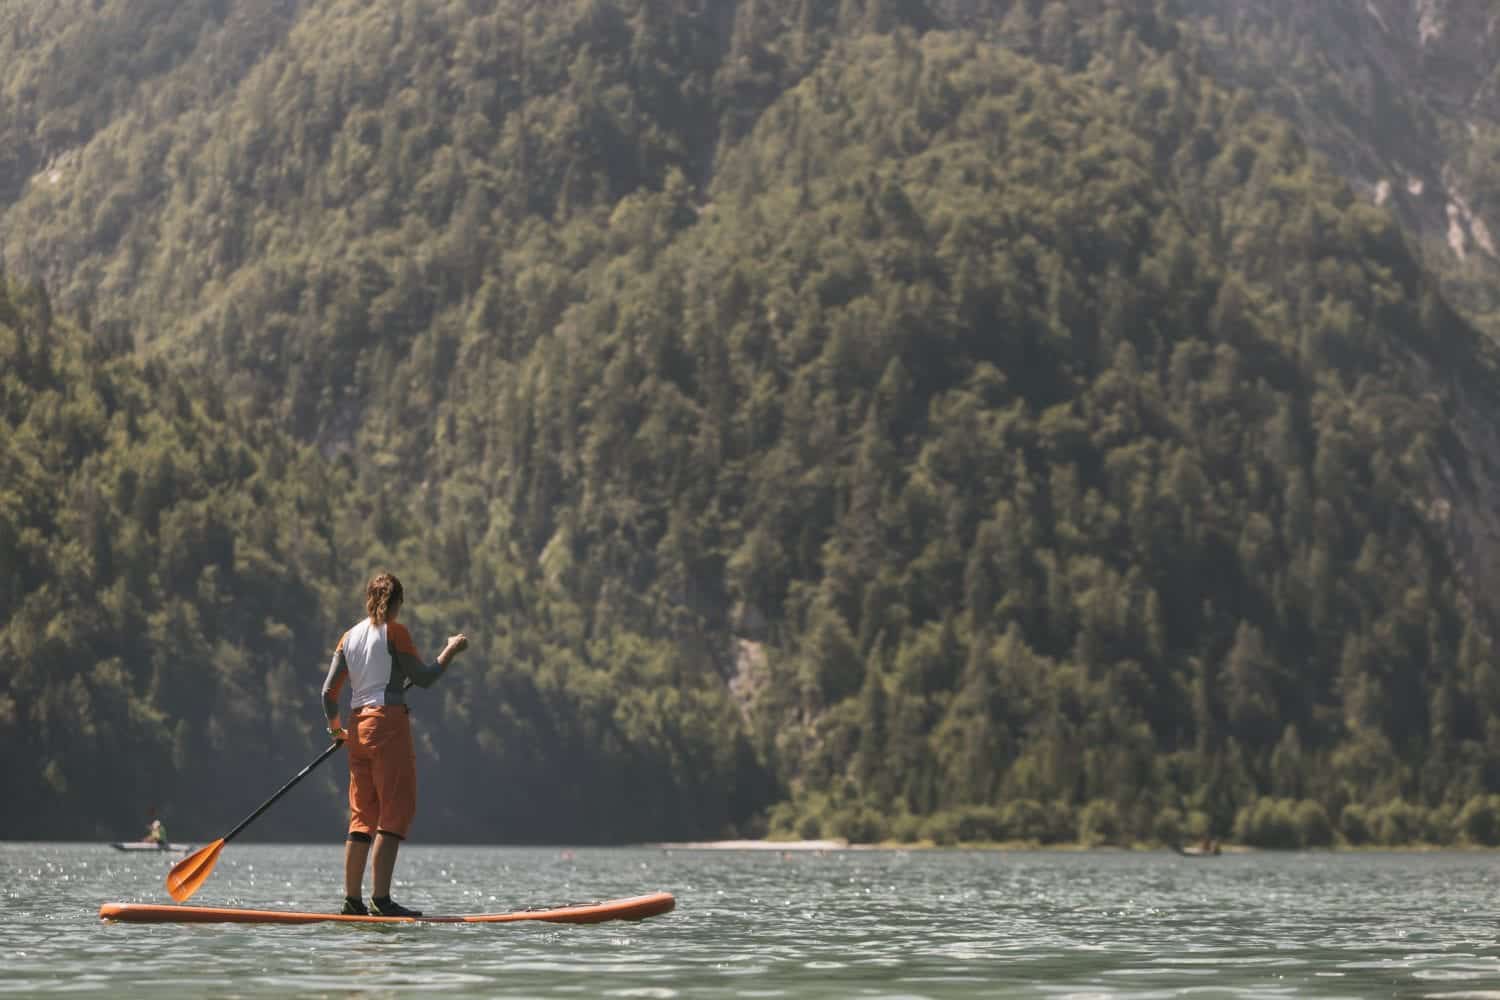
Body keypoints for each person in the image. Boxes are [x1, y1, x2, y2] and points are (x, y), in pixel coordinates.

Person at [321, 571, 468, 916]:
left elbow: (328, 693)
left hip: (357, 728)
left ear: (368, 600)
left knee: (361, 817)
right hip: (387, 726)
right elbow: (425, 678)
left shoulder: (348, 637)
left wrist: (336, 730)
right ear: (397, 602)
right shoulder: (395, 632)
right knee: (395, 809)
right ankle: (382, 901)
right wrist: (451, 649)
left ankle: (352, 902)